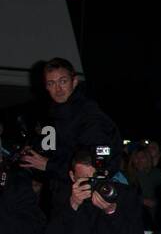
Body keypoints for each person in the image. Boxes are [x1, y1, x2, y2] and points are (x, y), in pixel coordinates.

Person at [18, 58, 121, 207]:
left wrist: (48, 165)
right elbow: (61, 152)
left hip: (89, 197)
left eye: (63, 81)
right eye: (51, 83)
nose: (58, 89)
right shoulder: (54, 114)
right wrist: (35, 153)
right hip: (62, 192)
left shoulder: (89, 114)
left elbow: (96, 164)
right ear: (46, 87)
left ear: (74, 81)